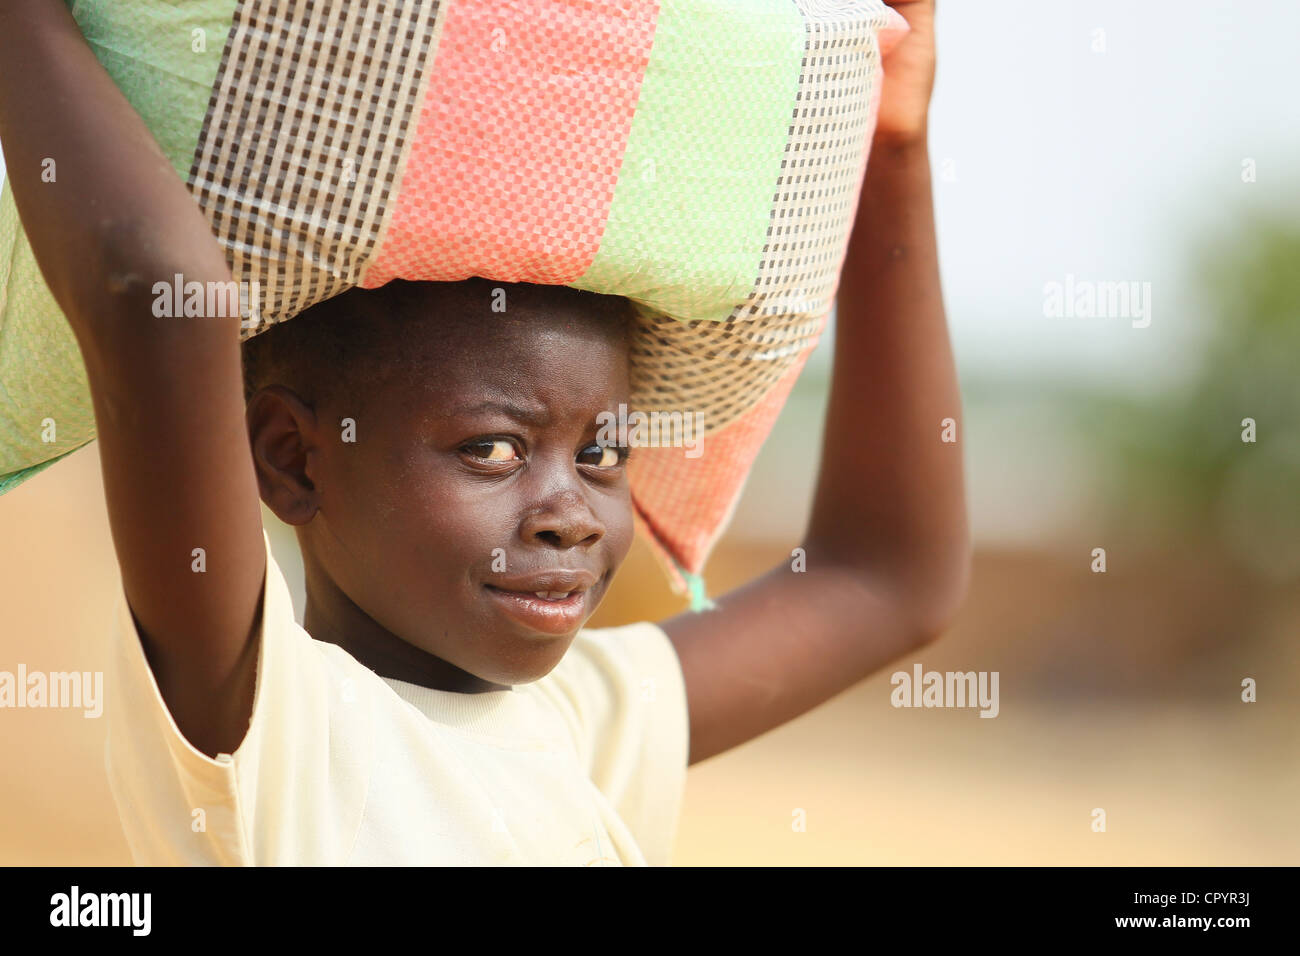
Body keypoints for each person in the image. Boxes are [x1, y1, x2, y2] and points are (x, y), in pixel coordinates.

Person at [0, 0, 964, 865]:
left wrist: (894, 150)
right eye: (494, 450)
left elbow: (889, 579)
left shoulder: (573, 725)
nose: (572, 516)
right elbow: (159, 304)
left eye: (602, 453)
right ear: (294, 458)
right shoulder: (265, 727)